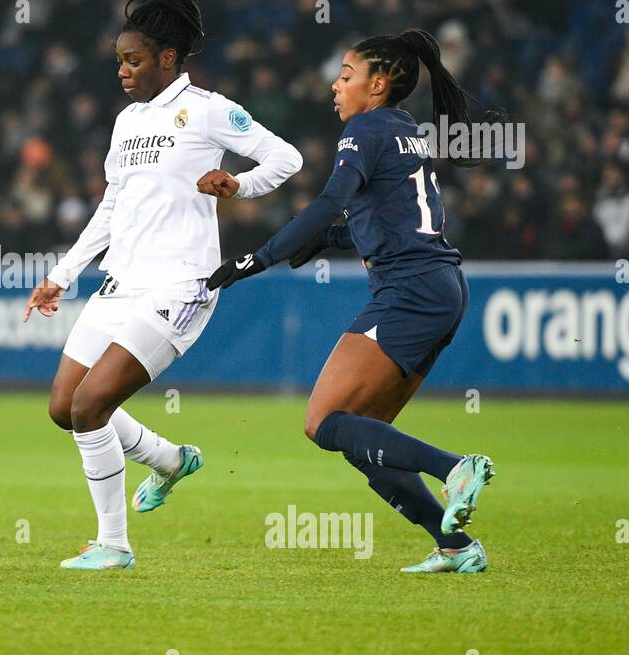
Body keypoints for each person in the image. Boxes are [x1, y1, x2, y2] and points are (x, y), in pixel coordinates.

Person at [23, 0, 302, 571]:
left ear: (168, 58)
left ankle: (113, 544)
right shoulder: (126, 123)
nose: (123, 71)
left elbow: (286, 157)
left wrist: (239, 185)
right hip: (120, 284)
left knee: (91, 405)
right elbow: (110, 207)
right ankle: (172, 460)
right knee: (63, 405)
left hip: (181, 285)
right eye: (120, 61)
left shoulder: (207, 110)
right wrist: (62, 273)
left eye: (133, 60)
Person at [208, 28, 496, 573]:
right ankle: (455, 545)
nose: (334, 87)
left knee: (323, 421)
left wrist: (258, 258)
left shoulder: (364, 129)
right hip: (439, 287)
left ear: (378, 84)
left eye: (346, 76)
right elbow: (394, 221)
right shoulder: (406, 130)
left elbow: (329, 202)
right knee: (367, 440)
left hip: (409, 291)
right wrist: (336, 240)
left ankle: (456, 467)